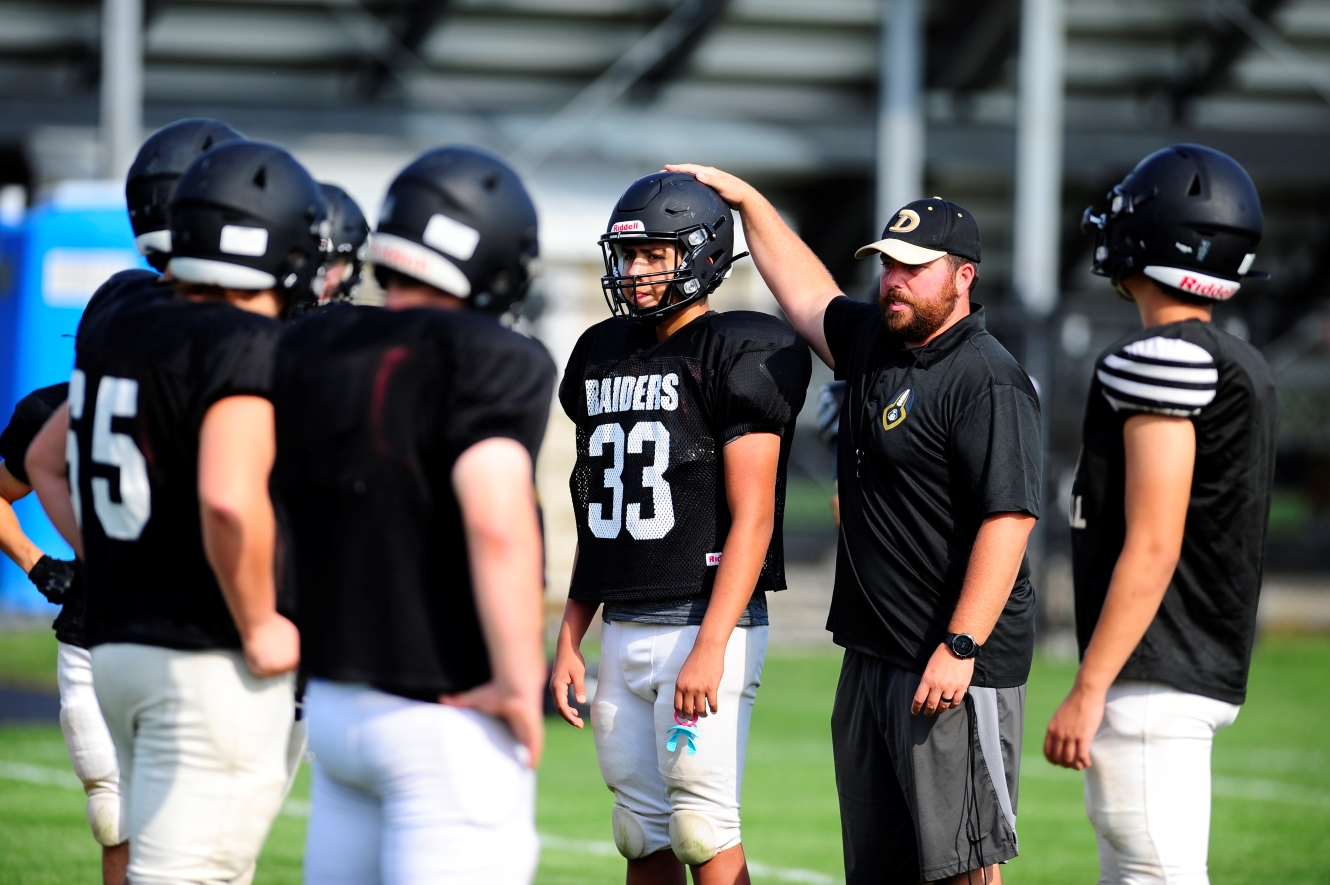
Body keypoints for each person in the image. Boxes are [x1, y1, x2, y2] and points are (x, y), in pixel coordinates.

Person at [665, 165, 1042, 885]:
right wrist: (748, 203)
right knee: (879, 869)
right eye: (887, 264)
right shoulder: (877, 339)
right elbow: (808, 294)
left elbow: (1009, 519)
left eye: (912, 268)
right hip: (872, 657)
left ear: (963, 276)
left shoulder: (985, 376)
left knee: (966, 870)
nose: (893, 280)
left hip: (952, 665)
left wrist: (960, 643)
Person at [26, 139, 323, 884]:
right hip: (202, 654)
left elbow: (43, 457)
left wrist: (118, 561)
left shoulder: (121, 309)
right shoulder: (246, 342)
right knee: (189, 871)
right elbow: (228, 496)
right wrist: (260, 620)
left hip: (120, 646)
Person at [274, 146, 553, 885]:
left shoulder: (308, 342)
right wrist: (519, 679)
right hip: (444, 706)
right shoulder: (494, 354)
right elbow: (496, 519)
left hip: (334, 700)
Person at [549, 171, 811, 885]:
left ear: (701, 255)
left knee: (702, 825)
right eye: (628, 256)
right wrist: (571, 635)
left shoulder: (738, 347)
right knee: (640, 831)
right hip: (623, 623)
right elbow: (598, 513)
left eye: (653, 255)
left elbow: (754, 516)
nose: (634, 271)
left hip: (700, 619)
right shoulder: (601, 352)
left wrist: (712, 647)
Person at [1044, 145, 1278, 885]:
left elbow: (1152, 543)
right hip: (1196, 665)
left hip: (1154, 676)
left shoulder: (1160, 357)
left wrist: (1089, 686)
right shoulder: (1240, 361)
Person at [0, 384, 130, 885]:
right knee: (112, 812)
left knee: (202, 823)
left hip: (185, 636)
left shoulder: (206, 400)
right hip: (92, 632)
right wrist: (34, 563)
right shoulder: (57, 409)